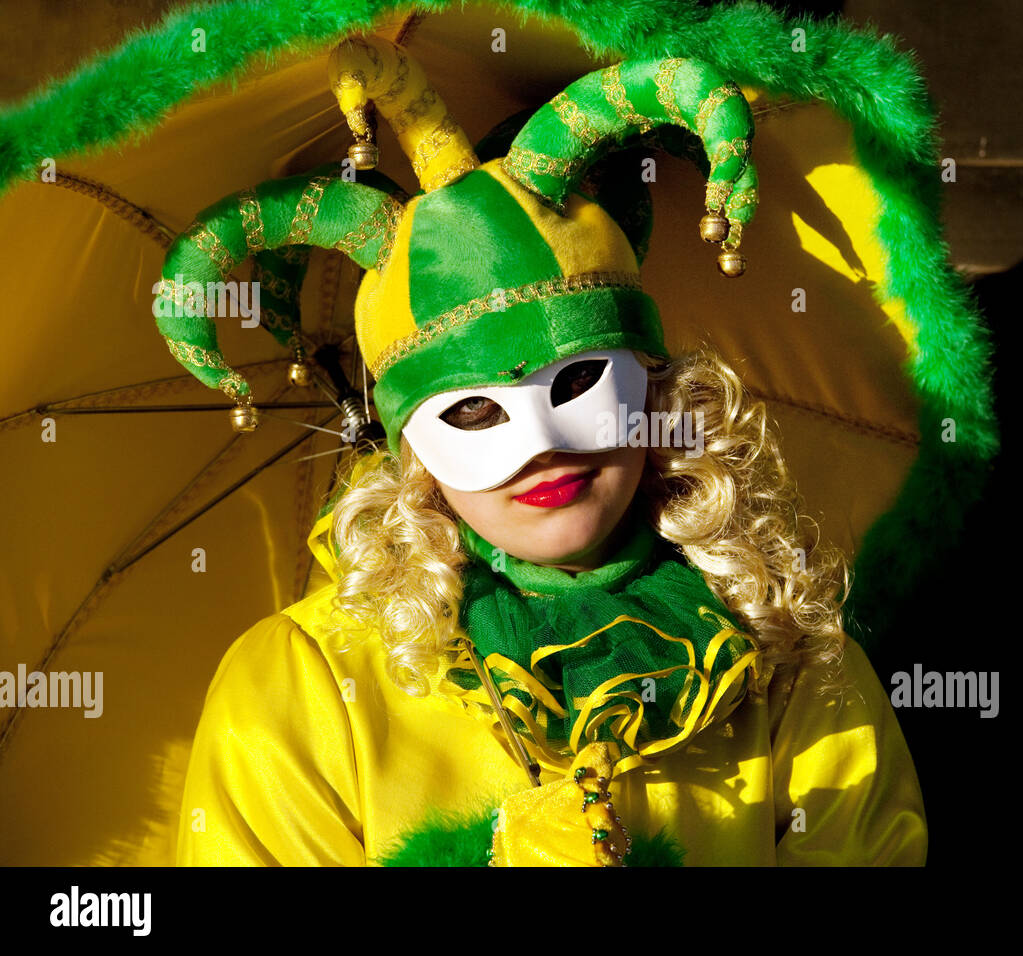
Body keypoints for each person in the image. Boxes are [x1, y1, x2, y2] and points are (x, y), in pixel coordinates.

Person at [169, 36, 926, 866]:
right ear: (408, 450)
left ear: (657, 390)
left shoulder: (792, 665)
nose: (540, 451)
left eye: (577, 385)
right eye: (473, 411)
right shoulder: (298, 689)